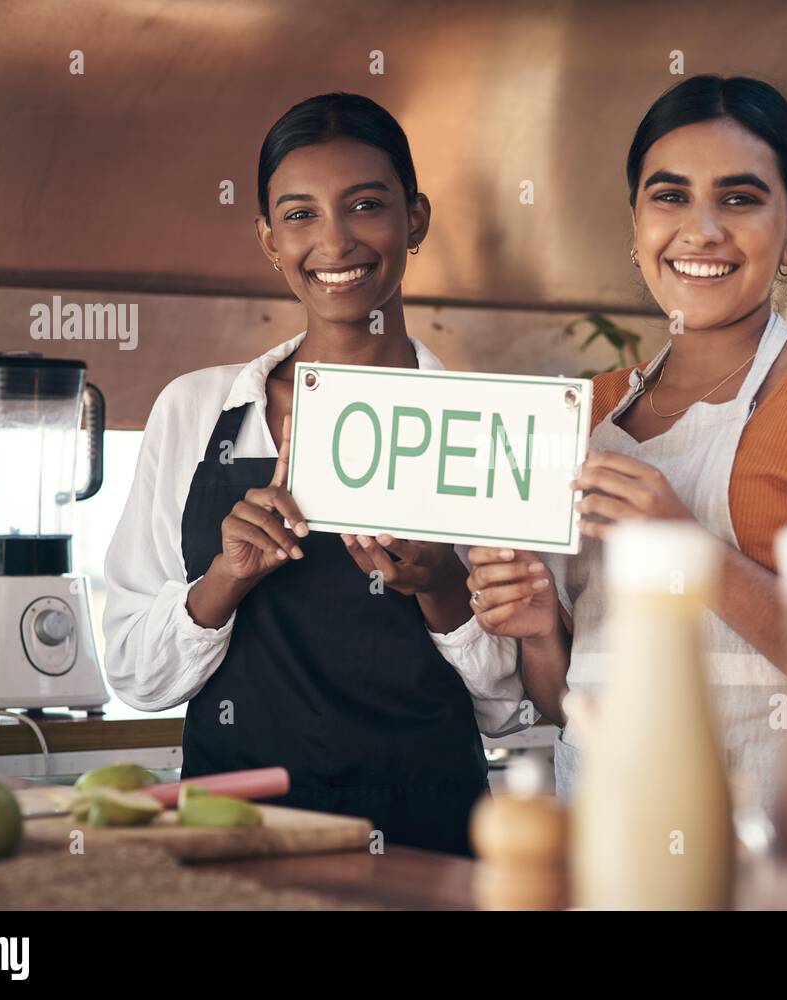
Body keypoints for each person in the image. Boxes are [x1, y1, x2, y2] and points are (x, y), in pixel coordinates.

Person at [459, 75, 787, 814]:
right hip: (604, 843)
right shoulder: (586, 411)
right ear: (635, 224)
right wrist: (537, 634)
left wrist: (691, 551)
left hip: (782, 854)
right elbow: (568, 703)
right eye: (671, 196)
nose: (702, 230)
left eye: (740, 199)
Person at [102, 93, 523, 855]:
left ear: (415, 219)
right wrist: (224, 580)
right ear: (267, 236)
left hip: (429, 844)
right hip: (231, 840)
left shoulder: (481, 427)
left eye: (366, 205)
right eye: (299, 215)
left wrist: (440, 589)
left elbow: (513, 707)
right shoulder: (196, 411)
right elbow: (135, 673)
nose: (335, 242)